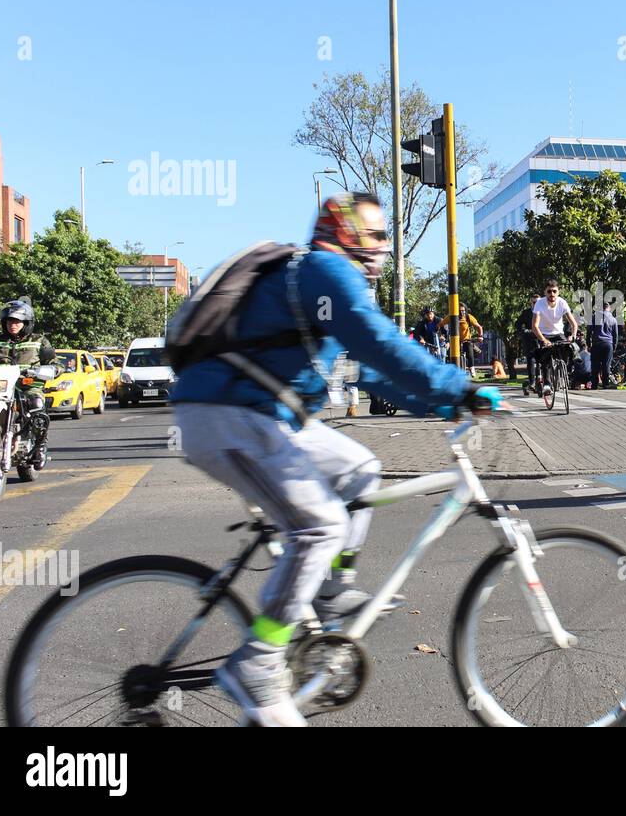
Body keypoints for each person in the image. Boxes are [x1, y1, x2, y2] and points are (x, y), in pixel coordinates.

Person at [171, 192, 501, 727]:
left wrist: (443, 403)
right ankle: (257, 662)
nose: (383, 246)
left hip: (264, 415)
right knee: (319, 526)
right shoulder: (326, 269)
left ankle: (330, 592)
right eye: (374, 235)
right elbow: (378, 342)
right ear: (345, 232)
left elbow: (364, 373)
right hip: (226, 412)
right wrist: (458, 385)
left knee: (358, 468)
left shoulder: (317, 283)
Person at [0, 299, 54, 468]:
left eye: (16, 321)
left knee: (37, 404)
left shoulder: (39, 341)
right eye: (8, 321)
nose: (12, 325)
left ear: (26, 323)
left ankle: (40, 446)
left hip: (27, 386)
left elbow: (53, 363)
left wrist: (52, 370)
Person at [532, 279, 577, 395]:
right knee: (545, 357)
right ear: (545, 292)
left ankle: (563, 367)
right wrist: (544, 340)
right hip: (544, 334)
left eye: (554, 291)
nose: (552, 294)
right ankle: (547, 383)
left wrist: (573, 335)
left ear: (558, 292)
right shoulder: (539, 303)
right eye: (549, 291)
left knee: (569, 347)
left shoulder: (562, 302)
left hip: (558, 333)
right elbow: (534, 326)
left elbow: (573, 323)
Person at [589, 301, 618, 390]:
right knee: (606, 364)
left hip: (597, 343)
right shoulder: (613, 319)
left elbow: (589, 331)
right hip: (608, 344)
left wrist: (588, 343)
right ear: (608, 308)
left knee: (595, 365)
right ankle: (605, 384)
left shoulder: (594, 317)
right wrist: (614, 346)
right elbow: (615, 335)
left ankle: (594, 384)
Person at [514, 294, 540, 392]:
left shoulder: (544, 312)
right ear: (531, 303)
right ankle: (532, 381)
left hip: (542, 339)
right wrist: (524, 331)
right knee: (531, 360)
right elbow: (518, 324)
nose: (536, 304)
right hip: (530, 340)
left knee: (543, 360)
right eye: (534, 302)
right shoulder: (526, 313)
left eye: (538, 302)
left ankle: (543, 381)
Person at [458, 305, 484, 373]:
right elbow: (442, 323)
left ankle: (471, 367)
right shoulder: (452, 317)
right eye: (459, 311)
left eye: (463, 311)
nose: (461, 313)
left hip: (466, 339)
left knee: (469, 352)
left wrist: (480, 336)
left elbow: (479, 327)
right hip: (455, 340)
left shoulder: (468, 317)